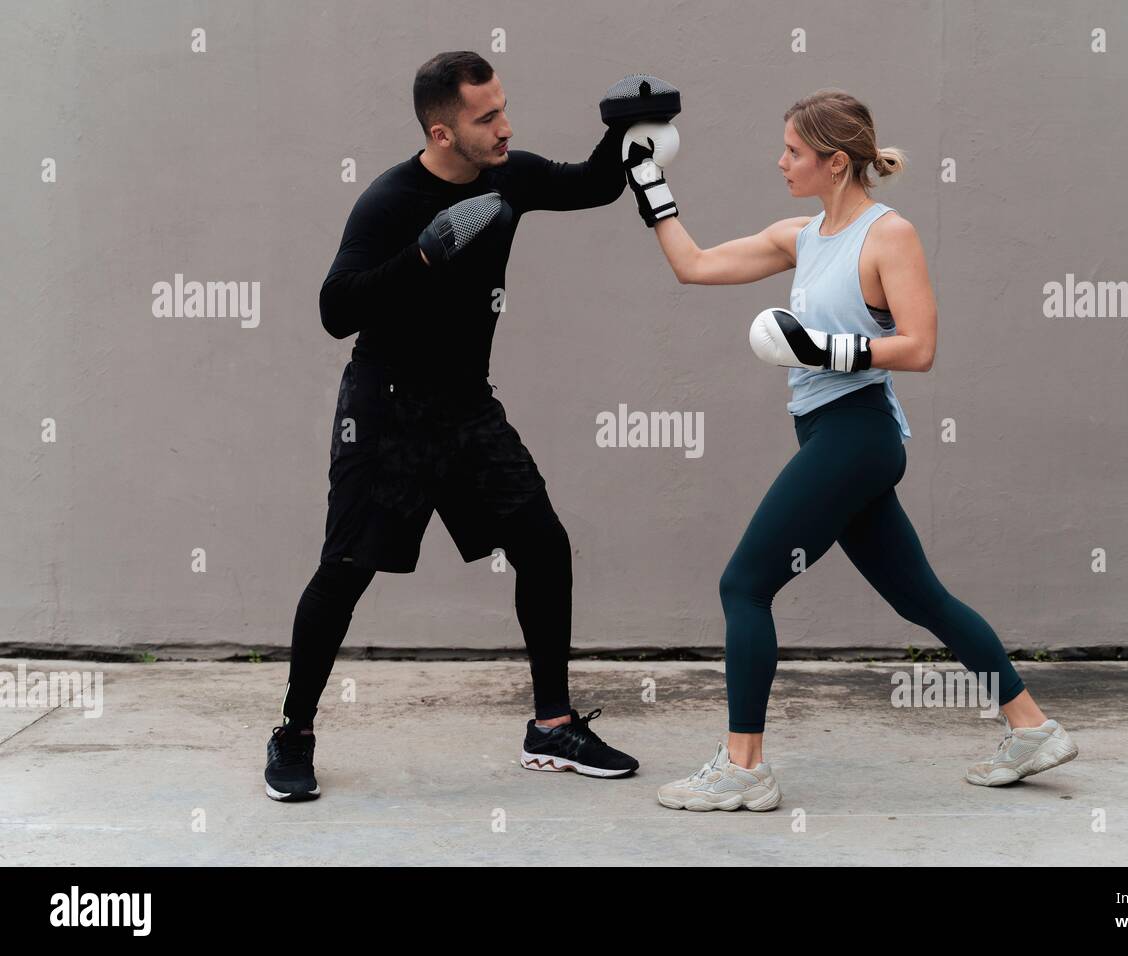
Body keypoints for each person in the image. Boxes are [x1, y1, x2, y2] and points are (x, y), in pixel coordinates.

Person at [614, 87, 1079, 811]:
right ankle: (1032, 727)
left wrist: (827, 349)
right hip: (831, 435)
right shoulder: (800, 236)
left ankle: (745, 767)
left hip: (858, 434)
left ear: (834, 162)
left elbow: (919, 347)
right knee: (920, 596)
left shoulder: (889, 235)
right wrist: (648, 180)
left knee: (744, 585)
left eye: (793, 152)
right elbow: (695, 265)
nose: (781, 162)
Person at [265, 52, 647, 801]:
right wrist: (424, 255)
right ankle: (294, 732)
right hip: (387, 410)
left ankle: (551, 727)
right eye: (486, 118)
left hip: (467, 407)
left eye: (504, 108)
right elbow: (334, 309)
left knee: (543, 542)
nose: (506, 127)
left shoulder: (511, 174)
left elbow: (596, 184)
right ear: (442, 132)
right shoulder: (389, 201)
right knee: (345, 570)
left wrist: (626, 126)